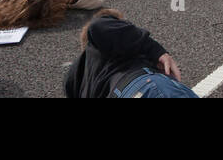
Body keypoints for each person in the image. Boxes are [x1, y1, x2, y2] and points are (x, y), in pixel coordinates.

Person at [65, 9, 197, 98]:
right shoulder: (101, 35)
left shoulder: (76, 76)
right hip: (143, 86)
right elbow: (98, 25)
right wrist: (157, 51)